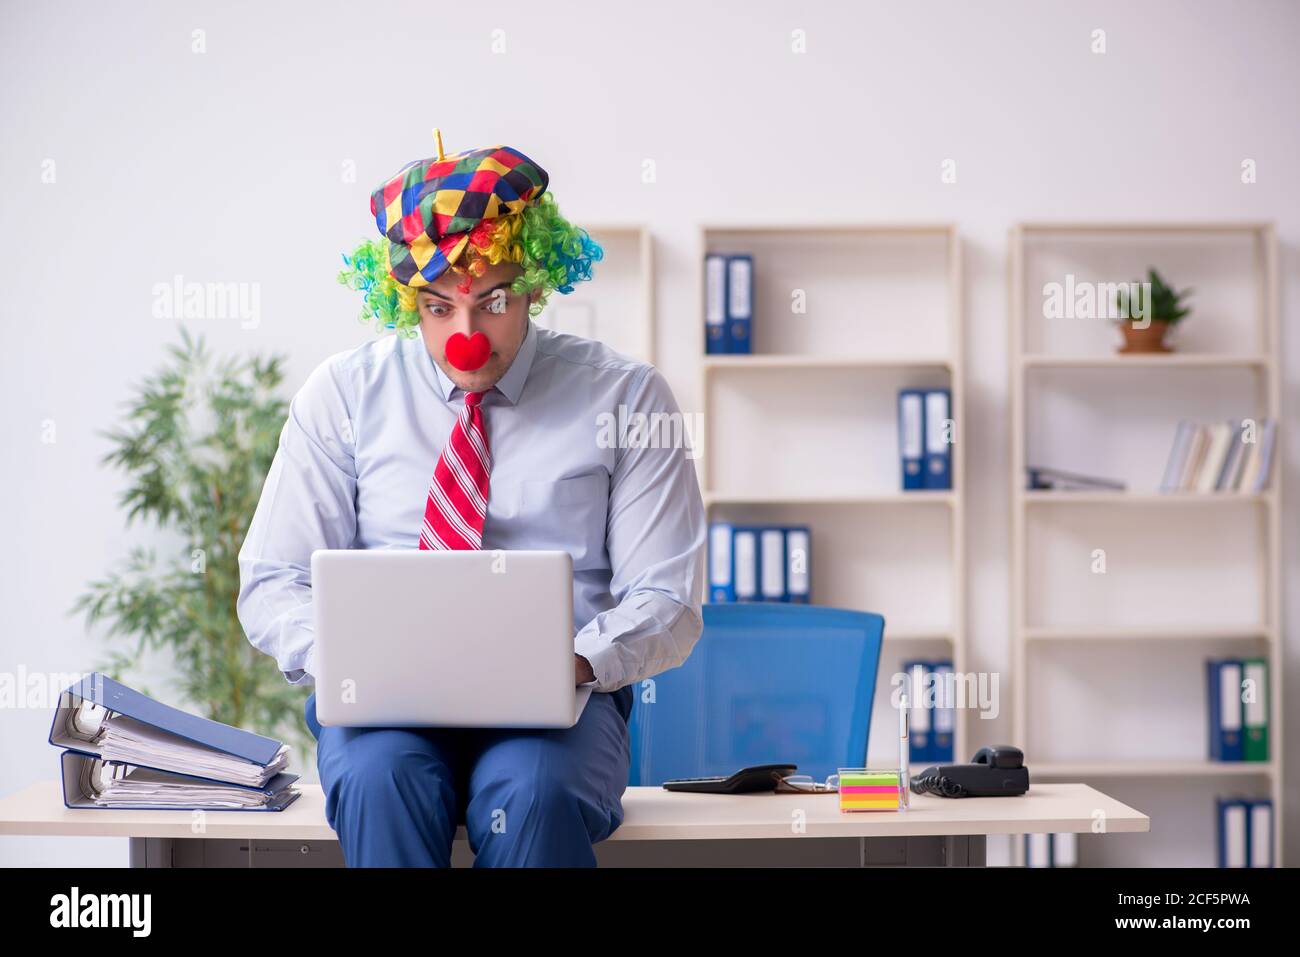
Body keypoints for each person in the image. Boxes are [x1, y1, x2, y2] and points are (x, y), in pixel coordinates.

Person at [236, 135, 706, 866]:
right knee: (377, 777)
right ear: (403, 299)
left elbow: (668, 597)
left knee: (533, 791)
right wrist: (357, 658)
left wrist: (571, 662)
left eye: (493, 300)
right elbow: (272, 580)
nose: (465, 337)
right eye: (437, 306)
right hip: (385, 711)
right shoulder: (342, 396)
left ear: (536, 284)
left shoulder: (628, 397)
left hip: (561, 708)